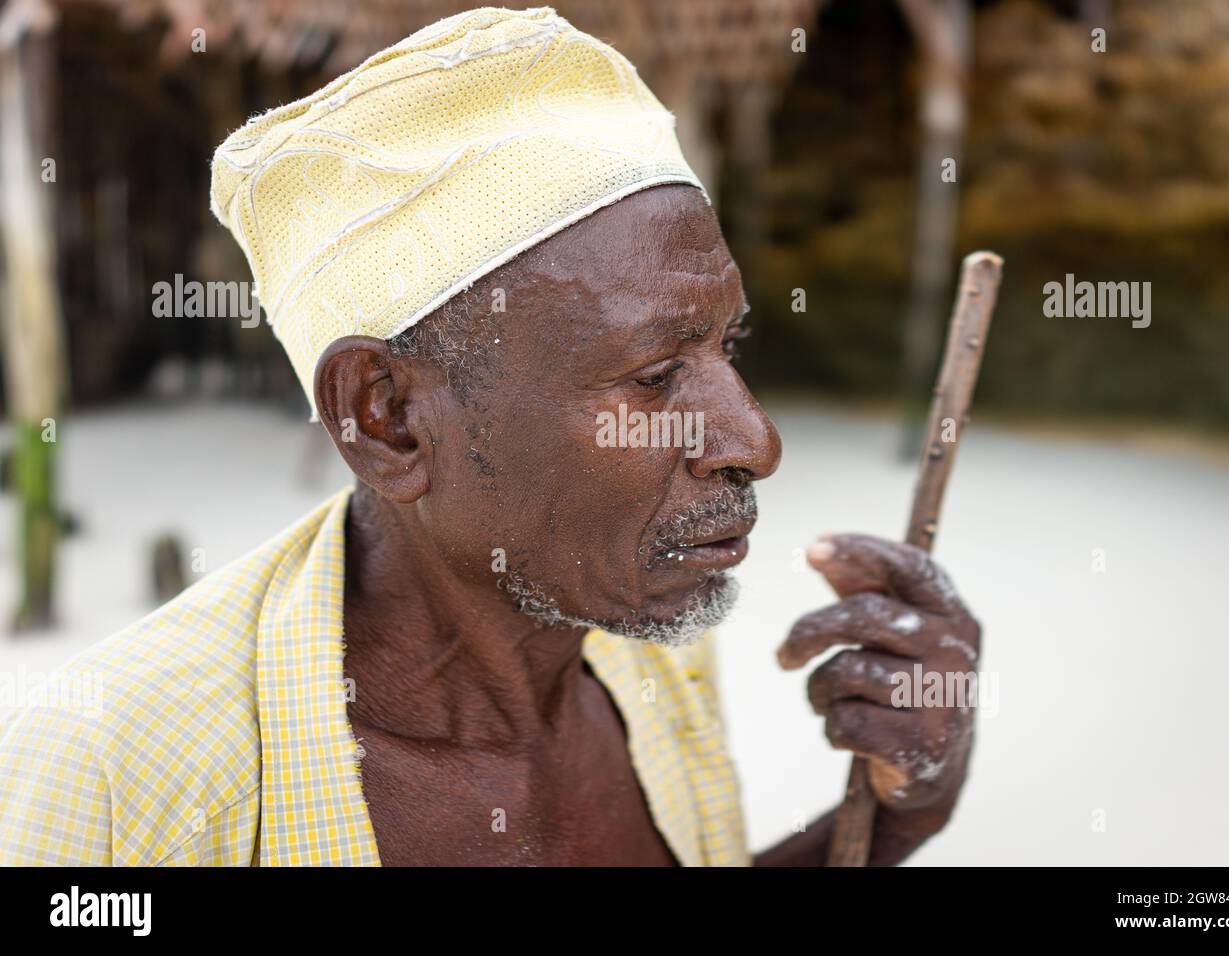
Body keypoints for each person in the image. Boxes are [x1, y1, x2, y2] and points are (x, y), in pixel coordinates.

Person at [0, 6, 979, 866]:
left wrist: (892, 820)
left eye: (731, 345)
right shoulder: (114, 777)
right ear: (385, 416)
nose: (753, 440)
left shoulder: (645, 641)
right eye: (652, 376)